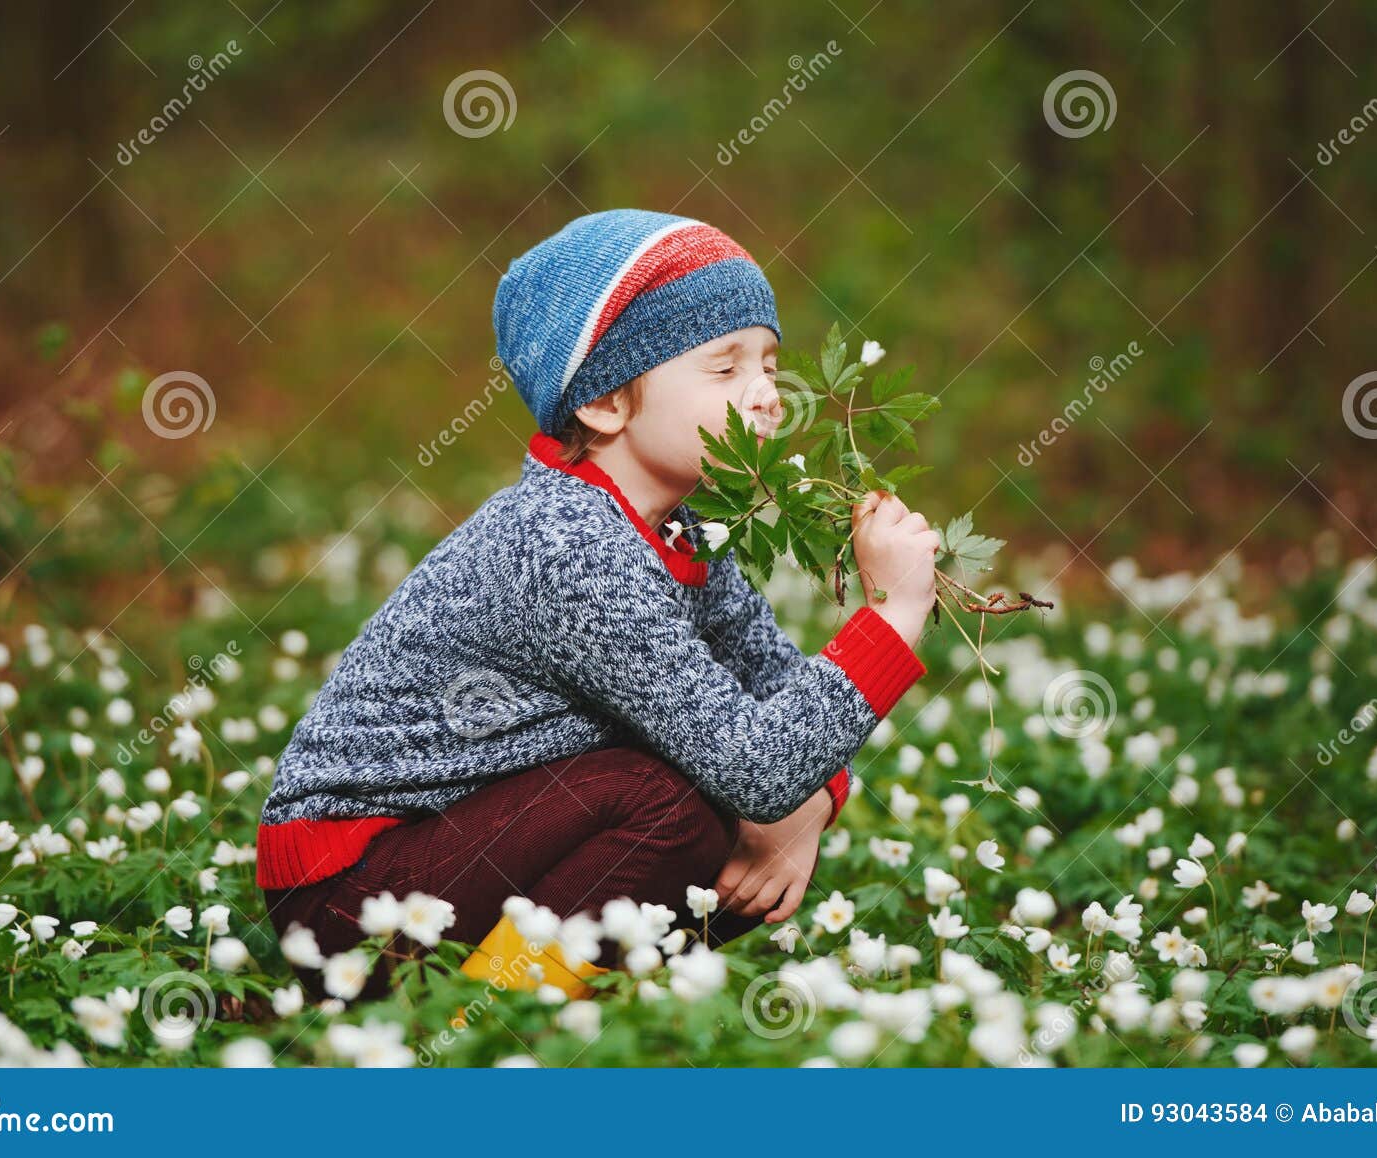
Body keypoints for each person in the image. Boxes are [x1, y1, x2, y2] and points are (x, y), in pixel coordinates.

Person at [256, 208, 939, 1005]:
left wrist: (811, 802)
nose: (769, 397)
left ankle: (553, 1011)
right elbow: (758, 766)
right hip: (350, 888)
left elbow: (777, 696)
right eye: (725, 369)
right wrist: (890, 615)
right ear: (607, 403)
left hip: (463, 850)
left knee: (708, 810)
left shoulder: (681, 532)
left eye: (769, 364)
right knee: (671, 806)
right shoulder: (569, 543)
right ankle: (487, 1019)